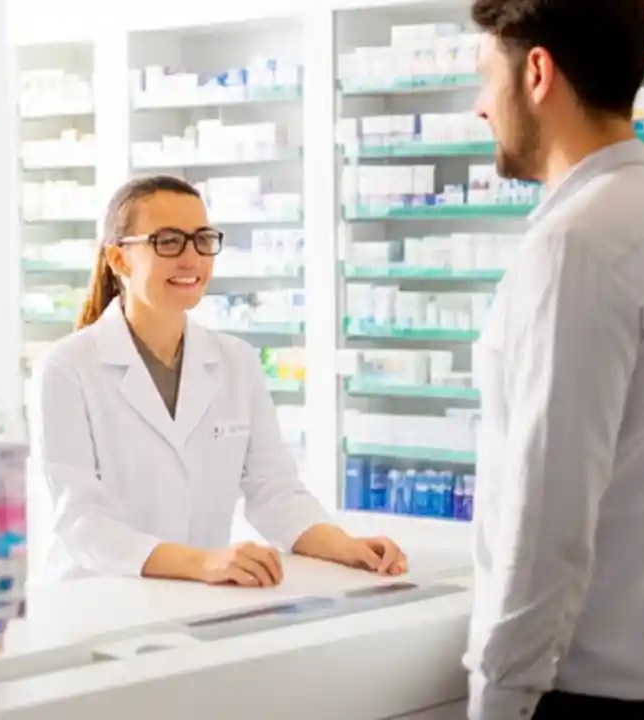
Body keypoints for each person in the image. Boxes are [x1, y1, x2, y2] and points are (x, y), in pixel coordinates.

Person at [463, 1, 644, 719]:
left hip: (581, 699)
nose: (478, 107)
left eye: (483, 78)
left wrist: (500, 695)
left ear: (536, 73)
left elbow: (546, 507)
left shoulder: (577, 245)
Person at [30, 175, 407, 587]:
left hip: (196, 601)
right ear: (119, 260)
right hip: (95, 599)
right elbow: (82, 520)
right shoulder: (67, 368)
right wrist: (200, 563)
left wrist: (345, 546)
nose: (191, 259)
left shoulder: (236, 362)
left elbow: (275, 492)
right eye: (169, 242)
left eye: (202, 240)